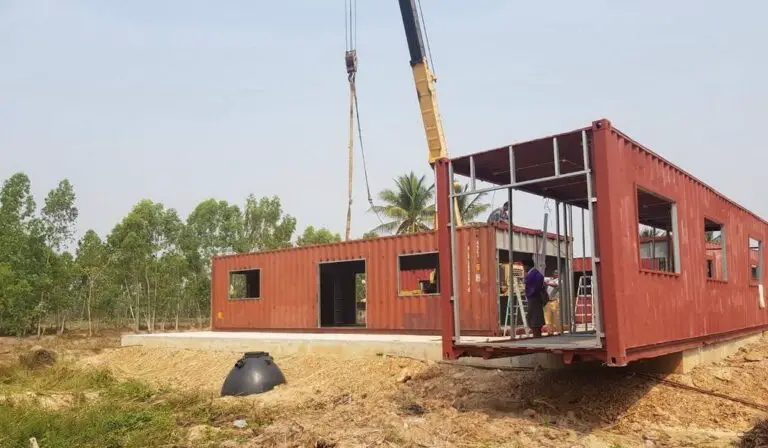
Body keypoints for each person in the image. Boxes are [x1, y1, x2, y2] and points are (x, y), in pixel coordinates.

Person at [522, 259, 547, 338]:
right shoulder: (534, 273)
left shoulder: (534, 274)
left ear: (527, 266)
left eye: (523, 266)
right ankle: (536, 335)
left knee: (534, 317)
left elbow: (535, 286)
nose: (523, 268)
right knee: (533, 316)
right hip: (535, 298)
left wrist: (530, 292)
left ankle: (537, 335)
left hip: (534, 298)